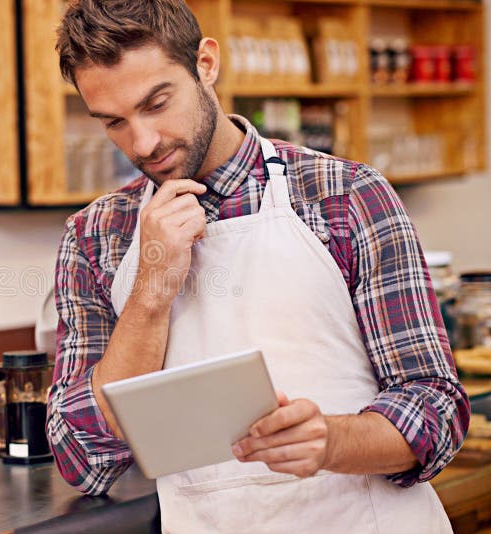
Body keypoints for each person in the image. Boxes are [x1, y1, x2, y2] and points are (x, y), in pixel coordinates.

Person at [46, 1, 470, 531]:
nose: (144, 142)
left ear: (205, 64)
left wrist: (332, 441)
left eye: (157, 103)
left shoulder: (346, 196)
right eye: (114, 122)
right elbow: (83, 460)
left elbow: (437, 409)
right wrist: (150, 294)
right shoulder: (94, 238)